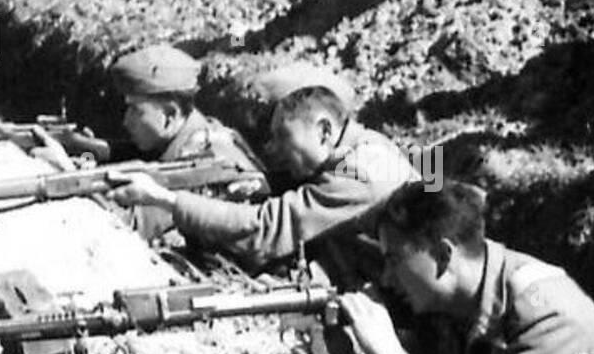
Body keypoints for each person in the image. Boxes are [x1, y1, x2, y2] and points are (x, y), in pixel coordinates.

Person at [341, 179, 594, 354]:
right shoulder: (457, 304)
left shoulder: (547, 313)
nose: (387, 277)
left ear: (443, 254)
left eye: (394, 260)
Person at [110, 82, 416, 273]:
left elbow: (265, 230)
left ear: (324, 130)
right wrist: (267, 183)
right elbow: (321, 179)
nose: (276, 150)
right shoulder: (367, 144)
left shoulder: (361, 174)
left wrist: (163, 198)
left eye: (284, 137)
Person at [32, 43, 267, 245]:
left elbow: (126, 226)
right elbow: (137, 155)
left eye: (135, 110)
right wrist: (85, 147)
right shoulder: (192, 133)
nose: (126, 121)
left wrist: (67, 171)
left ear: (170, 114)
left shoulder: (204, 163)